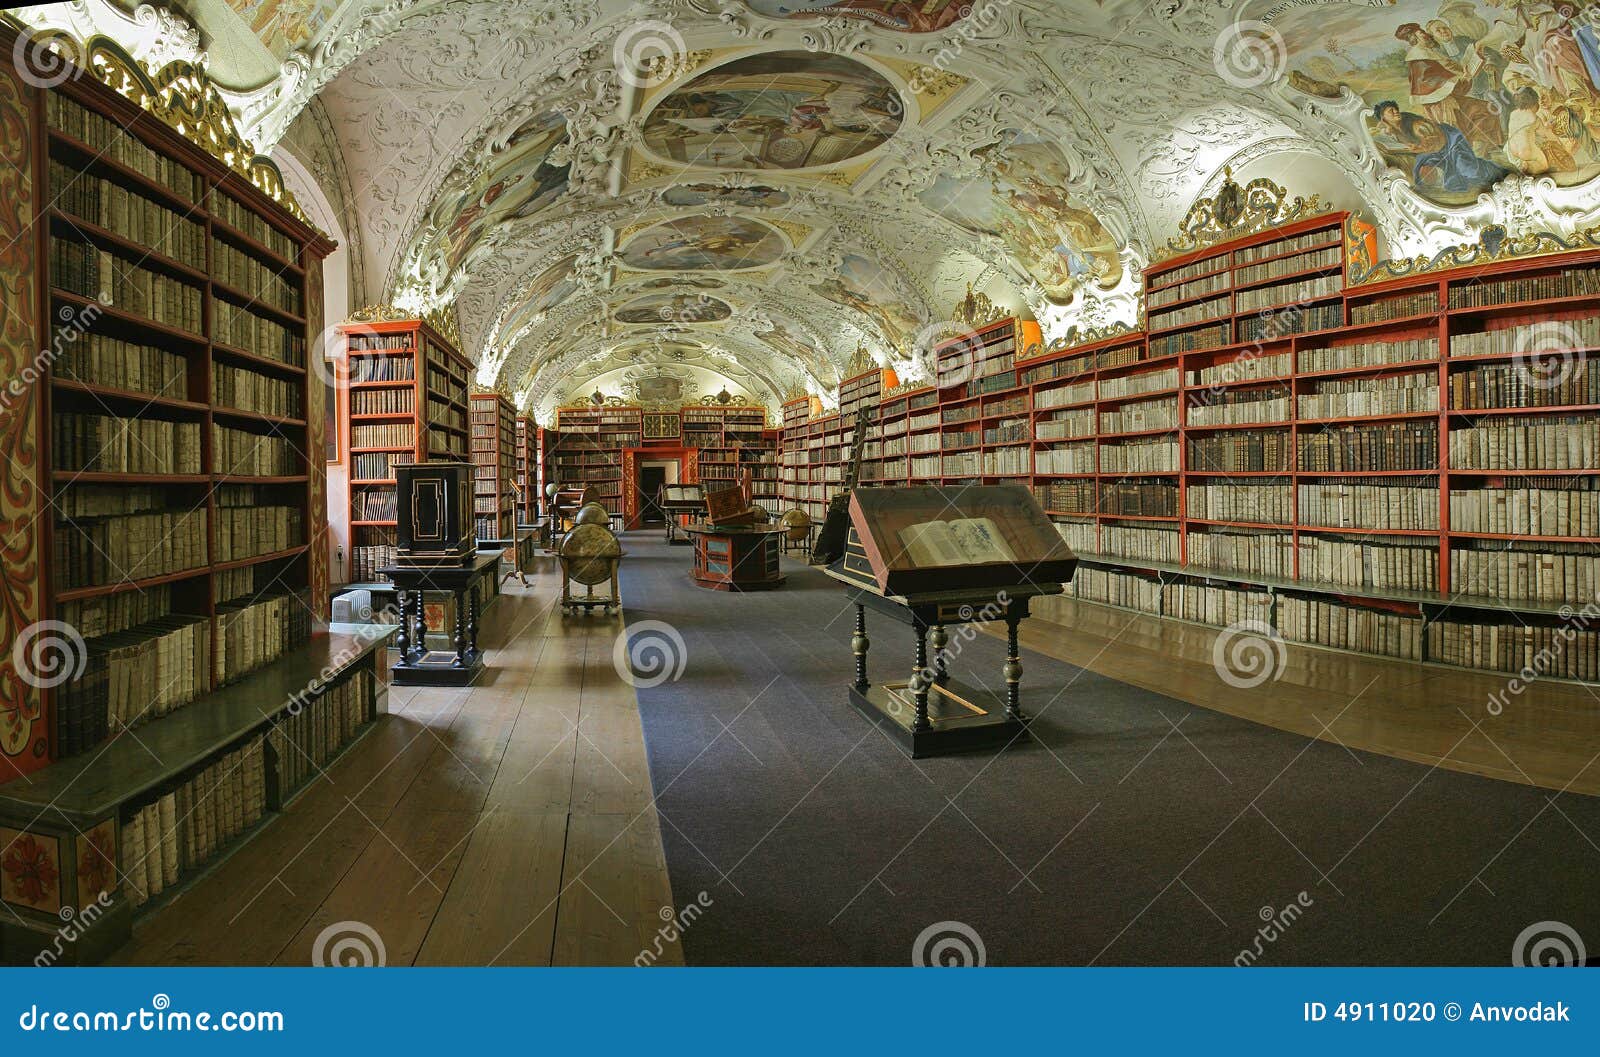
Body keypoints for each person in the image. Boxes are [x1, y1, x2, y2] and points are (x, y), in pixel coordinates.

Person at [1369, 100, 1510, 195]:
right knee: (1430, 174)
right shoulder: (1391, 129)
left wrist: (1417, 148)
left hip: (1449, 141)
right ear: (1383, 118)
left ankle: (1498, 172)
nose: (1396, 111)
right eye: (1391, 111)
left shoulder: (1415, 125)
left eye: (1395, 109)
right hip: (1433, 151)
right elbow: (1382, 133)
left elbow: (1435, 140)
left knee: (1468, 170)